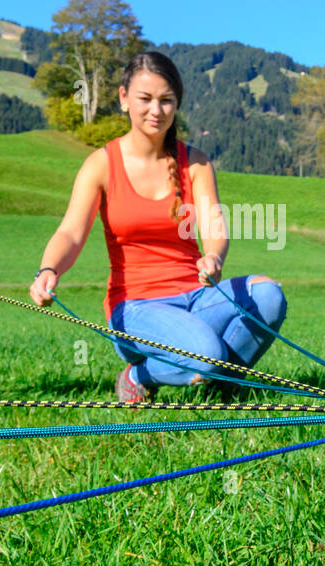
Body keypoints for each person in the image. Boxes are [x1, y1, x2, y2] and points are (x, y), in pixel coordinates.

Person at [30, 51, 287, 402]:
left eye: (166, 101)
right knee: (206, 355)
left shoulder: (195, 162)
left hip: (197, 297)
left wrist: (213, 257)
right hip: (136, 308)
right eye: (145, 99)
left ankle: (219, 381)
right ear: (124, 98)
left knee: (269, 296)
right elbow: (71, 232)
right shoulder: (101, 164)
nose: (156, 110)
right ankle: (139, 375)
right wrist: (49, 270)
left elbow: (213, 223)